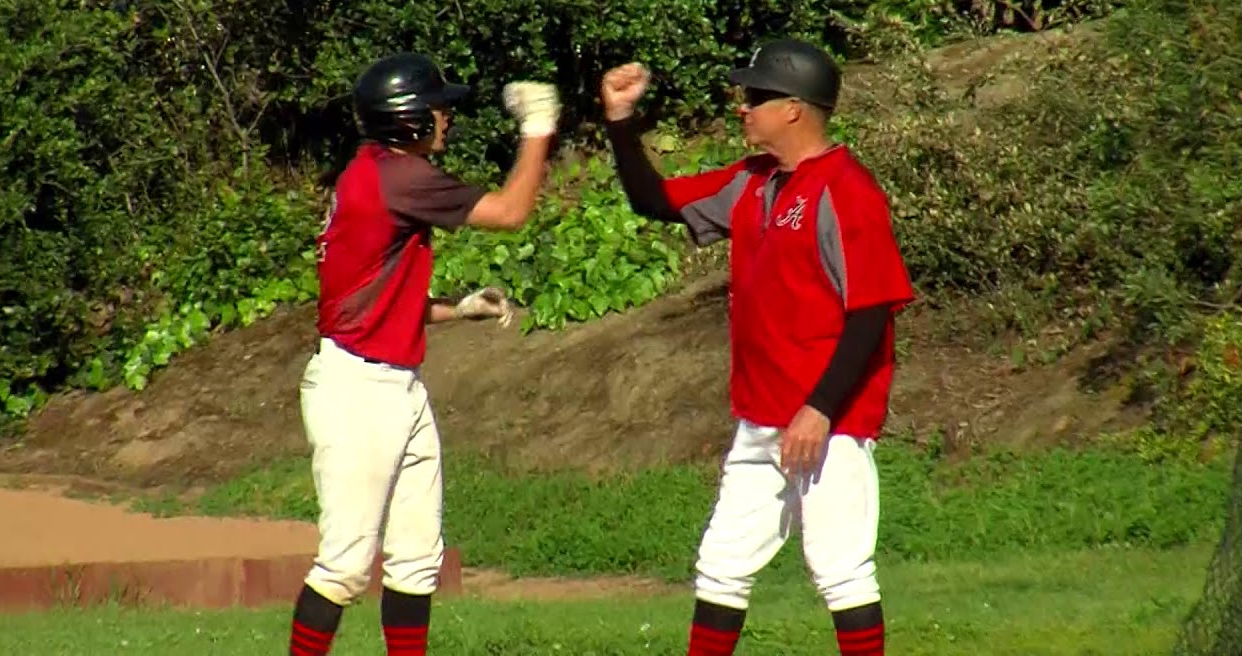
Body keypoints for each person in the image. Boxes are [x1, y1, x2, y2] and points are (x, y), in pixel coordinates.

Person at [600, 39, 915, 656]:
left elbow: (871, 313)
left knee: (840, 569)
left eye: (755, 97)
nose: (743, 108)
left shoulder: (846, 190)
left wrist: (820, 409)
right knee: (722, 563)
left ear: (794, 109)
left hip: (830, 420)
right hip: (761, 415)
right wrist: (620, 121)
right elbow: (653, 200)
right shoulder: (752, 182)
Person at [287, 53, 560, 656]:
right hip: (360, 392)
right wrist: (539, 127)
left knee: (415, 559)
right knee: (344, 567)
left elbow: (377, 298)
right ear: (407, 120)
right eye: (438, 110)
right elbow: (511, 213)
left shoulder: (371, 171)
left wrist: (457, 308)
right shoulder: (399, 178)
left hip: (390, 385)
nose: (446, 120)